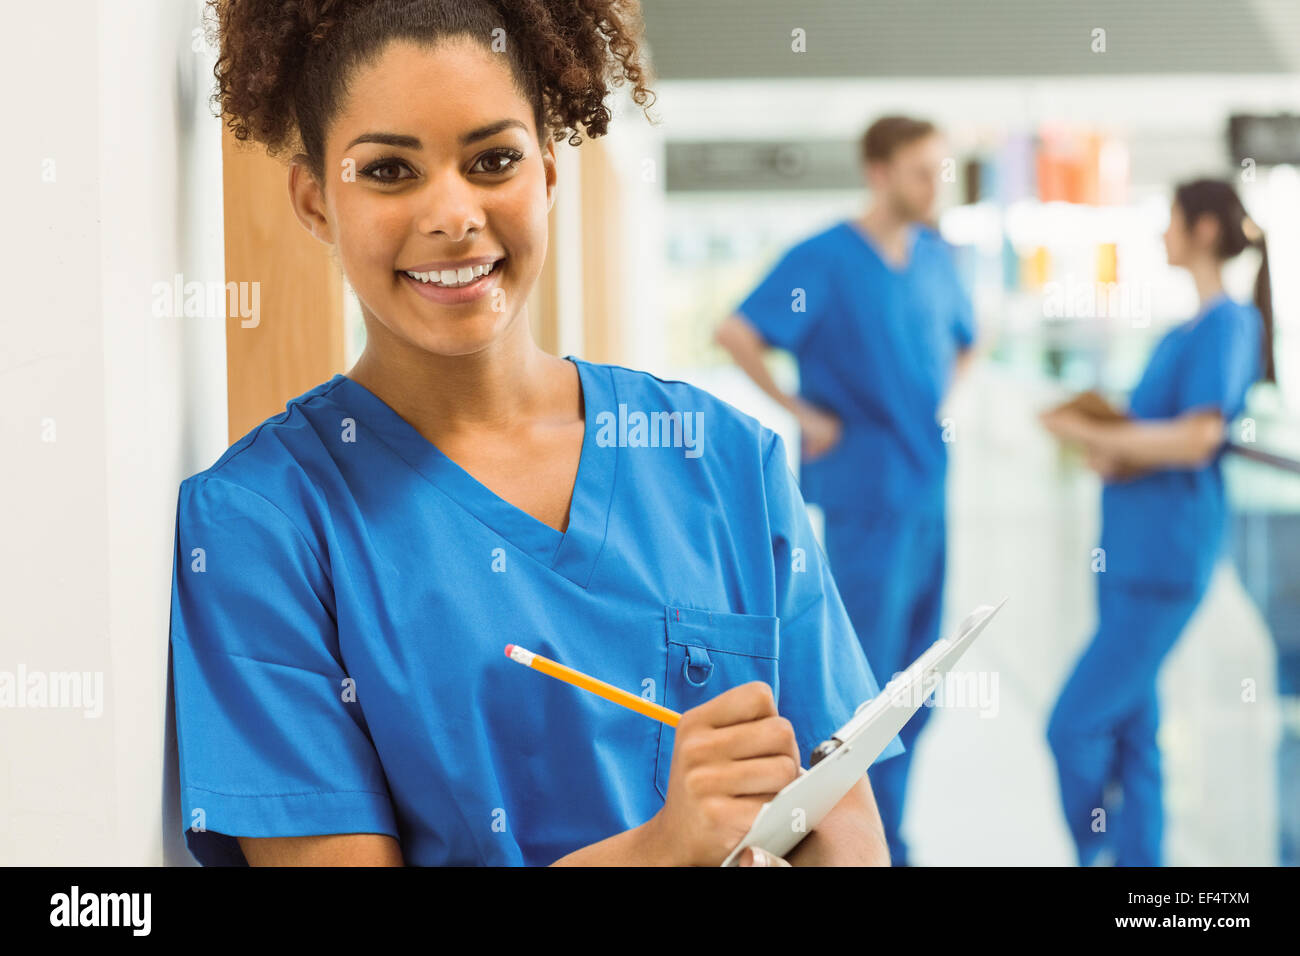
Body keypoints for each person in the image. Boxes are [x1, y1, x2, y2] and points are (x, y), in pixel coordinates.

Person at [169, 0, 904, 867]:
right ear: (316, 201)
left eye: (494, 160)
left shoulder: (725, 458)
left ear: (550, 172)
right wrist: (660, 850)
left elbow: (842, 815)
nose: (453, 214)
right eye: (390, 172)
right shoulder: (261, 525)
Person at [715, 115, 976, 865]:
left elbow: (970, 335)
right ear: (879, 173)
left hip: (928, 490)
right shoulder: (826, 258)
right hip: (867, 498)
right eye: (921, 171)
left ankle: (894, 834)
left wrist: (935, 404)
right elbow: (735, 332)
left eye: (942, 170)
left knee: (921, 686)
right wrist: (802, 413)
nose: (936, 187)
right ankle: (865, 843)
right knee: (868, 699)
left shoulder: (935, 258)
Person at [1041, 178, 1274, 866]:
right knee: (1134, 732)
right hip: (1131, 554)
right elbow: (1155, 433)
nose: (1161, 234)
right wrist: (1107, 443)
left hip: (1165, 559)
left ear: (1203, 230)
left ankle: (1102, 851)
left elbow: (1197, 437)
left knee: (1074, 724)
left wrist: (1103, 438)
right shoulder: (1184, 331)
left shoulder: (1230, 324)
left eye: (1170, 220)